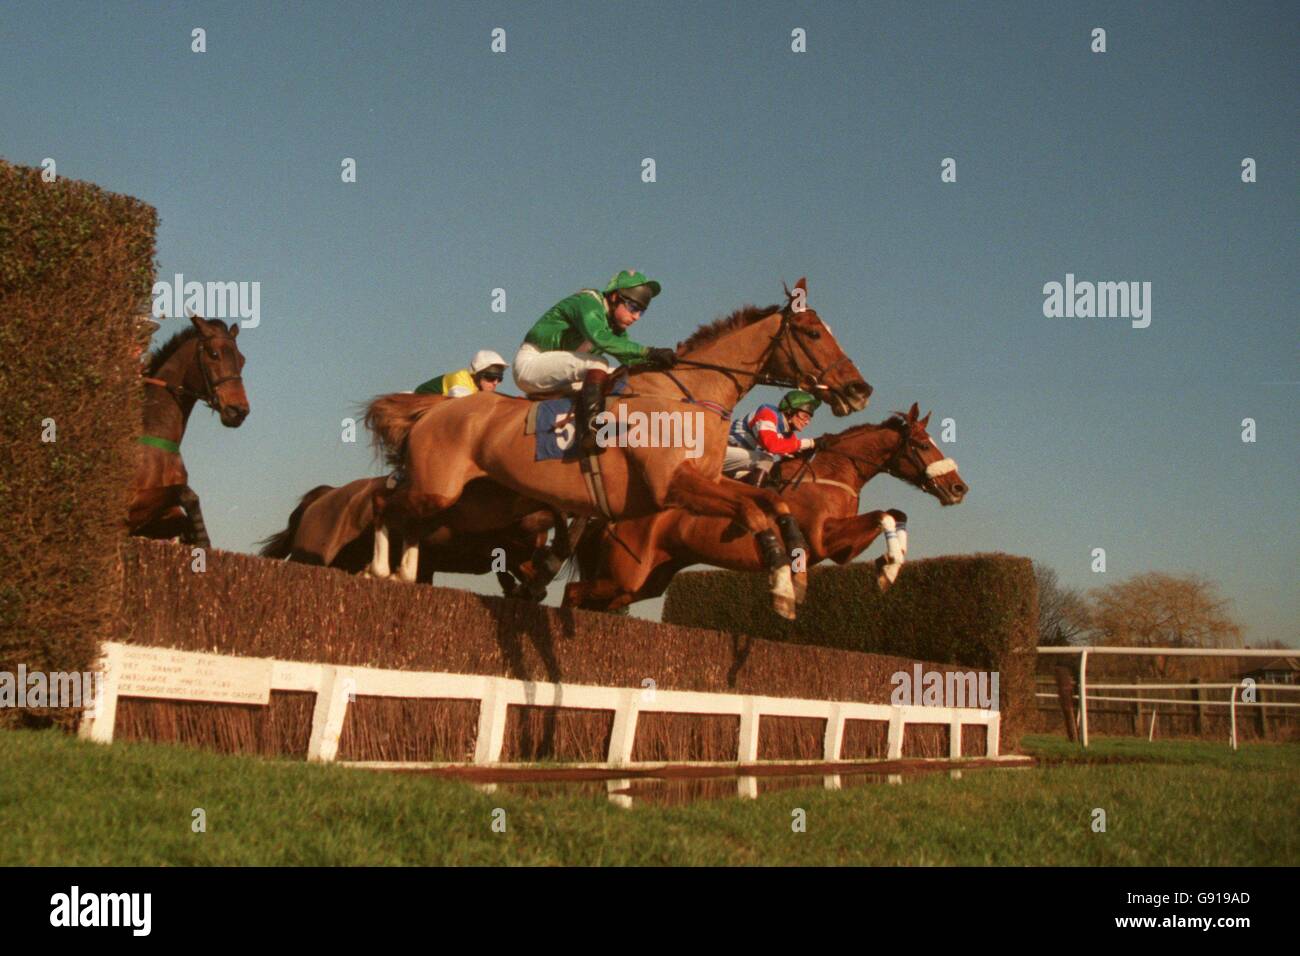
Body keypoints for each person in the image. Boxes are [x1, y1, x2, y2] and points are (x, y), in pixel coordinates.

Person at [513, 269, 679, 449]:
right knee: (598, 363)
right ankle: (592, 430)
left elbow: (629, 360)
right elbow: (601, 338)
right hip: (531, 364)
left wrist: (663, 364)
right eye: (633, 308)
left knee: (617, 375)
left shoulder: (615, 327)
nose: (636, 317)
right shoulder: (587, 302)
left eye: (642, 312)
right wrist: (649, 352)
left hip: (562, 376)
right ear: (615, 297)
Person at [723, 389, 827, 485]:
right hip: (722, 451)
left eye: (809, 419)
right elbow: (772, 445)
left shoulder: (788, 432)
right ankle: (753, 497)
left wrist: (812, 450)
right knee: (765, 459)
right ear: (790, 411)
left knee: (773, 473)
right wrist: (811, 442)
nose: (807, 422)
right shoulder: (767, 413)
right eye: (804, 416)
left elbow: (793, 453)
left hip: (737, 460)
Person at [414, 350, 509, 397]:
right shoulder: (460, 379)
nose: (495, 383)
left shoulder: (478, 388)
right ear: (478, 375)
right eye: (491, 377)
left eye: (499, 378)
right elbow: (464, 406)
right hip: (419, 400)